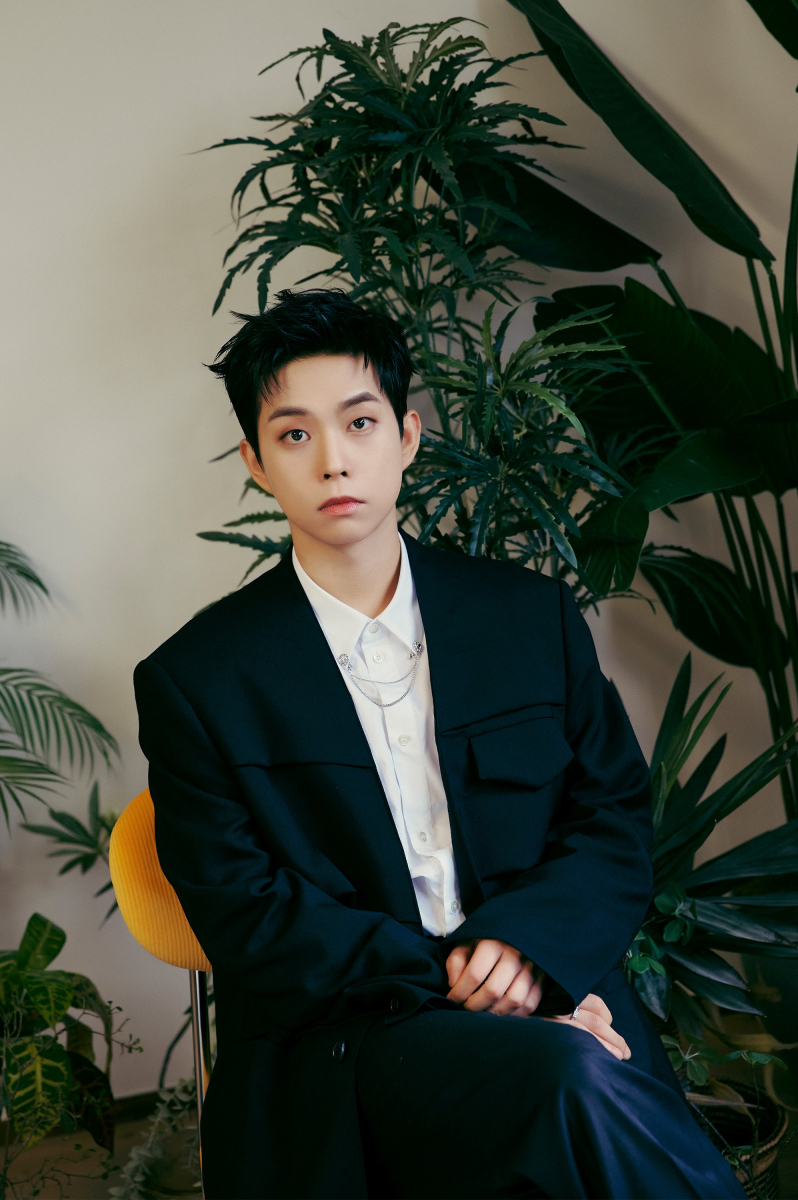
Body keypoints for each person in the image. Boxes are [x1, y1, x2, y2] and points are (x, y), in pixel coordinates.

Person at [134, 289, 745, 1200]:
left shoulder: (529, 618)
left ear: (408, 437)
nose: (334, 459)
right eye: (295, 434)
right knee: (570, 1078)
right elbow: (251, 918)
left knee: (572, 1081)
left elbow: (612, 817)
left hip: (554, 983)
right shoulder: (199, 679)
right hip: (352, 1041)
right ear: (256, 463)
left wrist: (527, 954)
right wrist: (473, 990)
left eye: (360, 422)